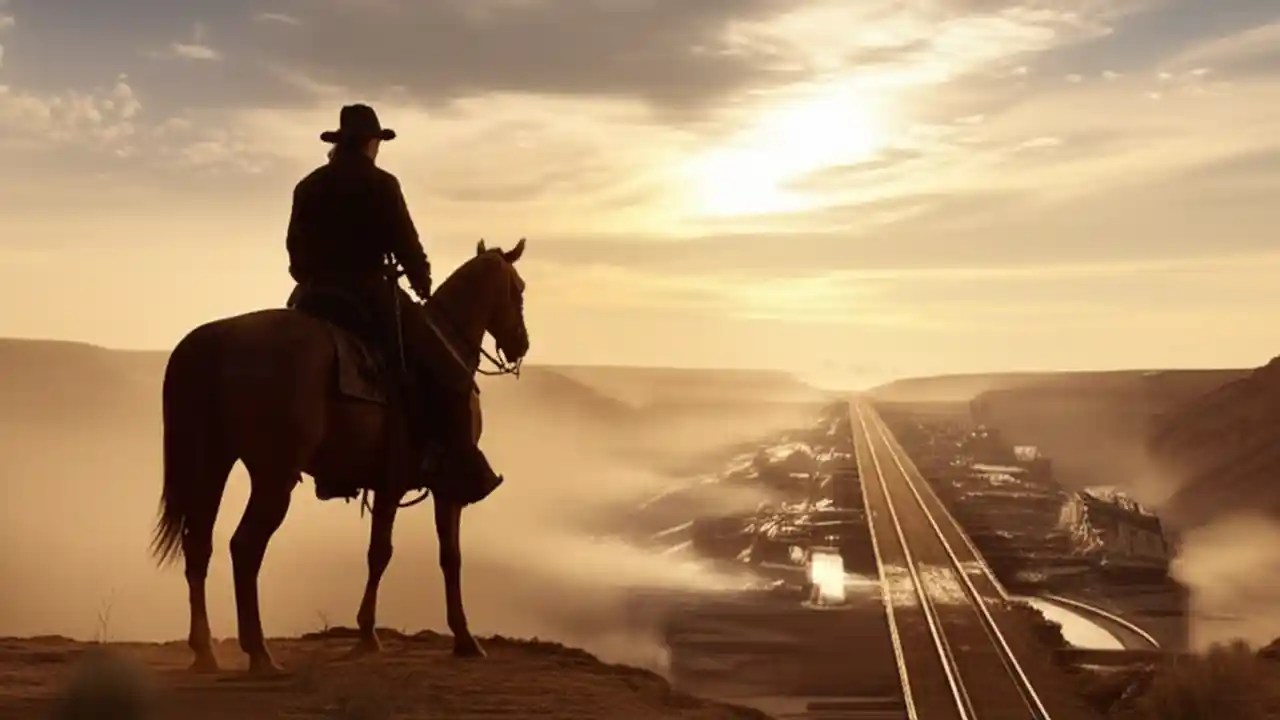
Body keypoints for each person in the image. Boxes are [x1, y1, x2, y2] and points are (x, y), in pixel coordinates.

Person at [285, 103, 500, 502]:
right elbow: (406, 243)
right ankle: (452, 464)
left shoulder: (308, 186)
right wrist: (421, 282)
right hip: (367, 293)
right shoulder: (382, 184)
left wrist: (312, 279)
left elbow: (294, 253)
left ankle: (333, 470)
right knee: (451, 373)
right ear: (371, 143)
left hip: (313, 297)